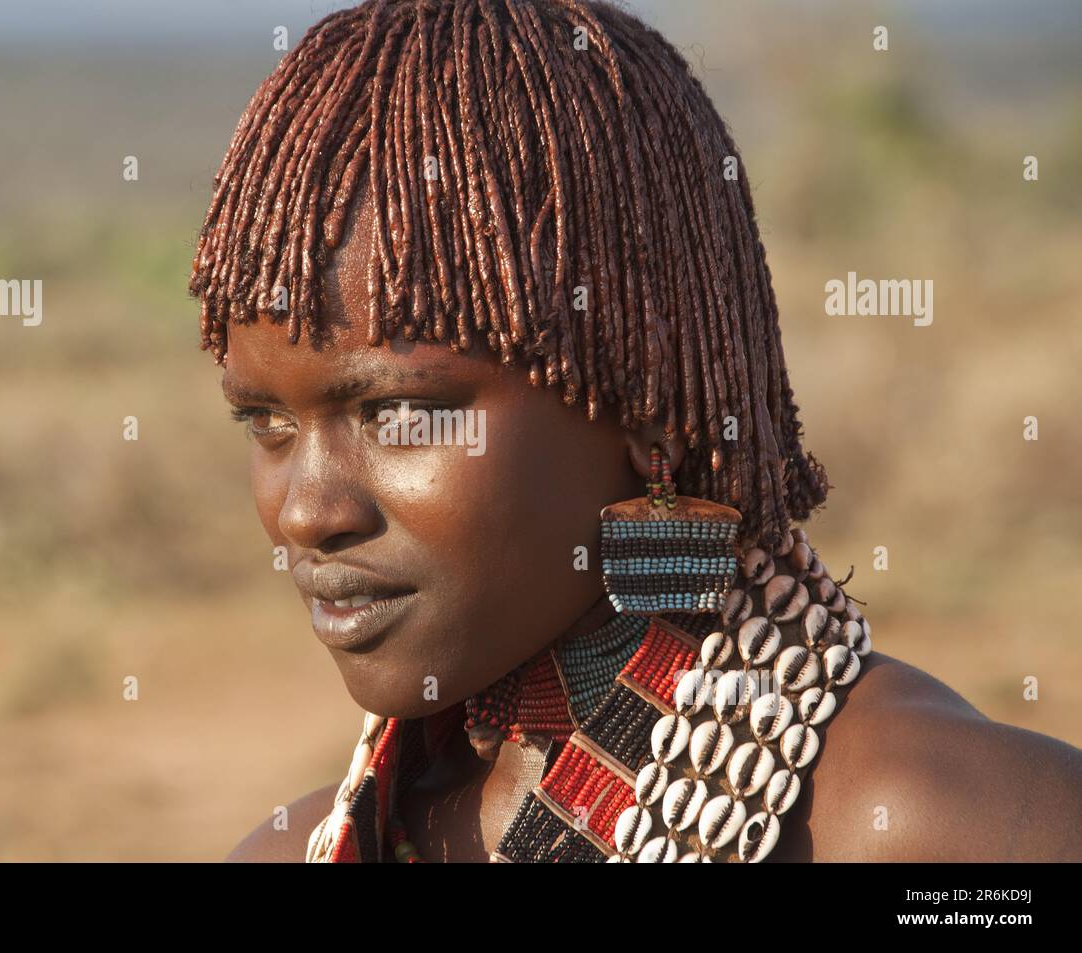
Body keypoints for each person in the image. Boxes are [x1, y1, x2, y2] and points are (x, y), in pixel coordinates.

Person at [188, 0, 1082, 862]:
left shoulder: (949, 827)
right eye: (264, 421)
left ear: (647, 411)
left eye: (396, 414)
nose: (306, 513)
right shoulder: (304, 845)